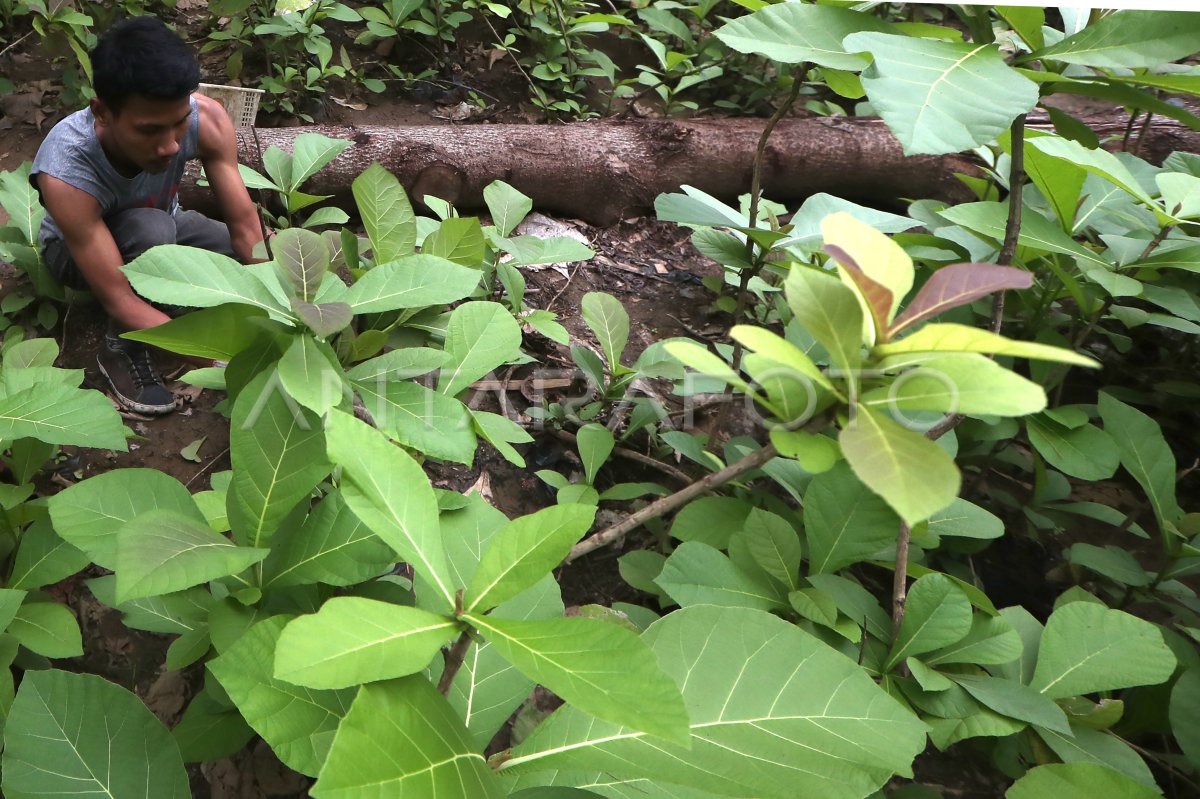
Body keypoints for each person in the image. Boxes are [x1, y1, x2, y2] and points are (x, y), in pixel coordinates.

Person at [30, 16, 263, 415]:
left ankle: (165, 310)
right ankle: (121, 349)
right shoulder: (65, 171)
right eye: (150, 130)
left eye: (178, 124)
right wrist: (216, 363)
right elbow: (119, 297)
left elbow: (245, 230)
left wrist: (284, 306)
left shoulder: (205, 118)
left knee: (234, 251)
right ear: (102, 112)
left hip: (165, 219)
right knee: (149, 229)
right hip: (76, 253)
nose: (171, 145)